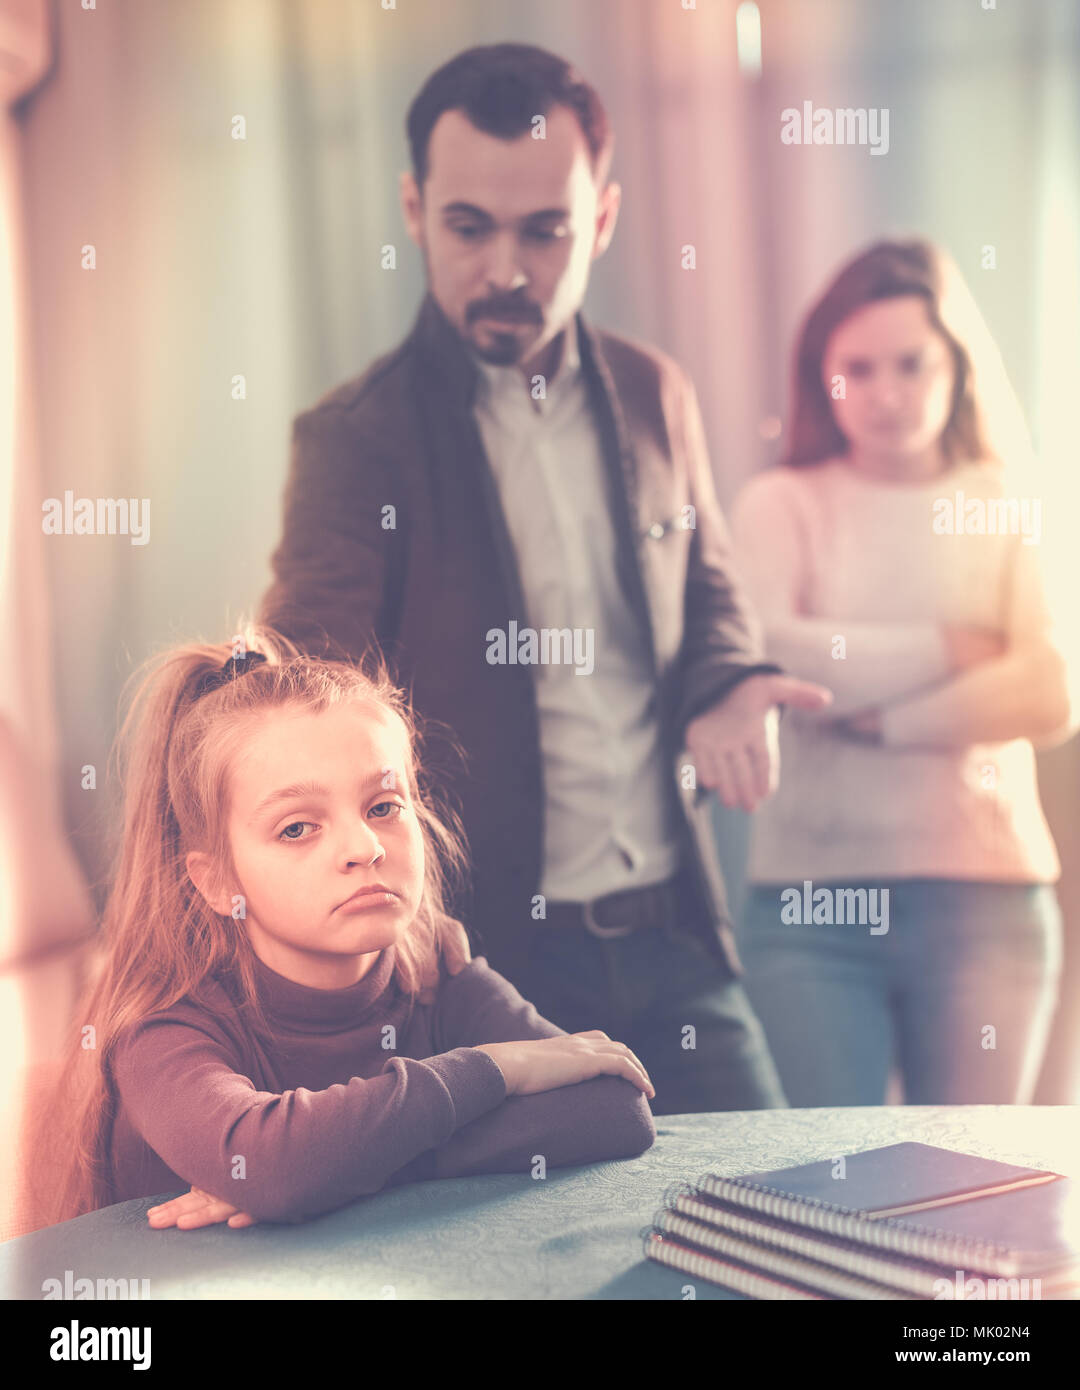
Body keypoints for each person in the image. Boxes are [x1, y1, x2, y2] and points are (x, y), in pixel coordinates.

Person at [259, 43, 830, 1117]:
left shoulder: (656, 392)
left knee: (776, 1229)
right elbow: (308, 702)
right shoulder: (353, 441)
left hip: (675, 933)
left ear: (601, 221)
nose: (507, 267)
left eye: (545, 229)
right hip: (487, 963)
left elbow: (704, 582)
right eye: (470, 226)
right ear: (414, 207)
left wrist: (731, 682)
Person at [38, 625, 657, 1228]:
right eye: (297, 828)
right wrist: (498, 1068)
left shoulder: (437, 975)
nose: (364, 847)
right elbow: (269, 1164)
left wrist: (334, 1172)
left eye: (383, 807)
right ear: (217, 883)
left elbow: (613, 1108)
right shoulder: (165, 1031)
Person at [730, 238, 1076, 1107]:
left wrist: (884, 721)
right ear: (821, 375)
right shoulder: (781, 502)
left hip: (987, 907)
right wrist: (948, 648)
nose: (885, 394)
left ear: (957, 363)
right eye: (857, 368)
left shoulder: (1008, 499)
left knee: (966, 1197)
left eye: (911, 364)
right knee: (828, 1191)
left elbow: (1049, 693)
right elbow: (770, 651)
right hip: (810, 909)